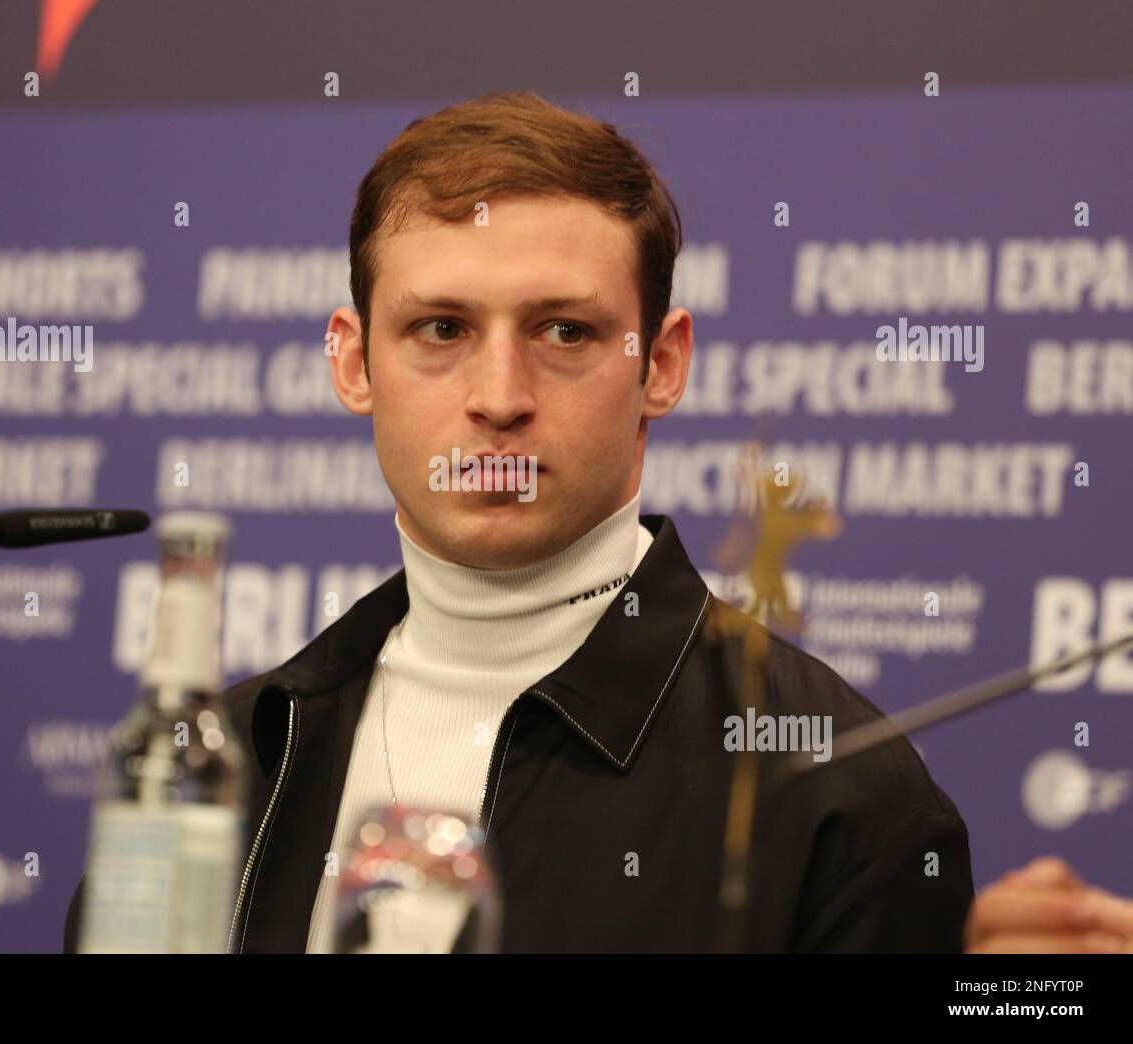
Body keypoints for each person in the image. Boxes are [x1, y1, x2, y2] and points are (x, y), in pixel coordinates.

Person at [62, 91, 1123, 954]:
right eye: (440, 327)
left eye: (565, 331)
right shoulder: (230, 764)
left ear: (659, 364)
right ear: (353, 361)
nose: (498, 393)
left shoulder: (839, 791)